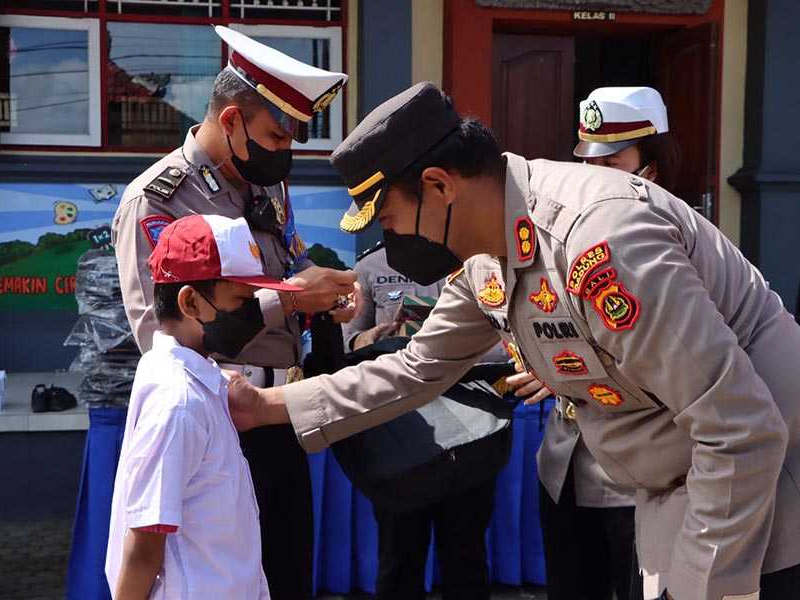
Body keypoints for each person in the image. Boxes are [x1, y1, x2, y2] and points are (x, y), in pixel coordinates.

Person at [227, 82, 800, 600]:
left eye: (391, 219)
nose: (391, 239)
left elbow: (740, 430)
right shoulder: (488, 256)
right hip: (676, 492)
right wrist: (266, 406)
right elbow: (416, 369)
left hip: (764, 503)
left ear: (438, 185)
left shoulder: (599, 241)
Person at [111, 26, 357, 599]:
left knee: (287, 579)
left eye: (292, 138)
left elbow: (288, 268)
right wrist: (293, 298)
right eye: (276, 135)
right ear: (230, 121)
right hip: (216, 424)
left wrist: (328, 304)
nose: (285, 153)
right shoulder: (159, 200)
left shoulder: (263, 187)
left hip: (279, 414)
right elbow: (162, 335)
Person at [509, 86, 679, 600]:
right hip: (565, 463)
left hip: (644, 475)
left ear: (651, 166)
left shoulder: (678, 240)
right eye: (589, 158)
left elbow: (674, 358)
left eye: (614, 159)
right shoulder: (560, 236)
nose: (598, 172)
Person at [106, 214, 304, 599]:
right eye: (242, 301)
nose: (252, 315)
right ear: (191, 301)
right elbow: (144, 545)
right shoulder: (178, 402)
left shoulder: (199, 379)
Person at [343, 244, 496, 600]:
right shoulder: (370, 265)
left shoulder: (473, 259)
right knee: (398, 557)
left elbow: (507, 340)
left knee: (466, 557)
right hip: (401, 433)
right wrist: (379, 338)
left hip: (470, 429)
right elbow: (349, 342)